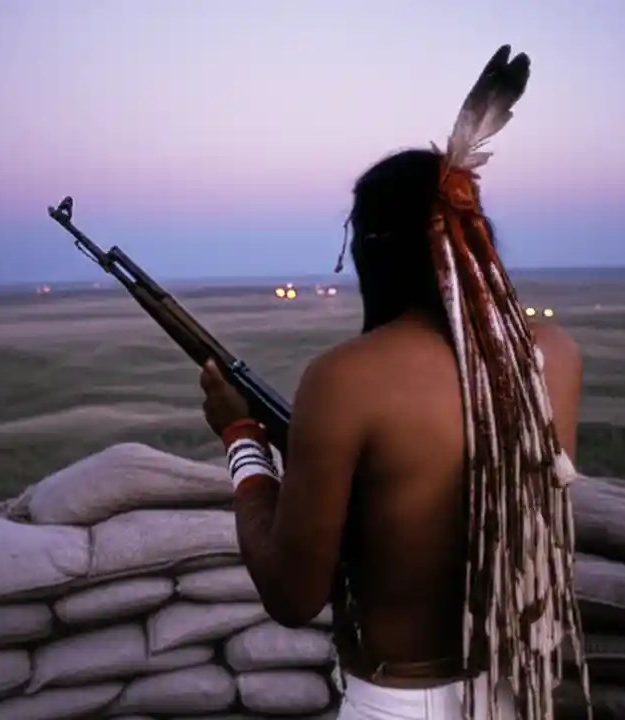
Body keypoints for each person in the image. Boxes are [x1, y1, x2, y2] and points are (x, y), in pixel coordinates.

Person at [198, 46, 589, 720]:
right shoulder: (556, 354)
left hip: (399, 703)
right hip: (519, 695)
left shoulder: (346, 380)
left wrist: (242, 440)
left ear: (374, 254)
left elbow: (293, 598)